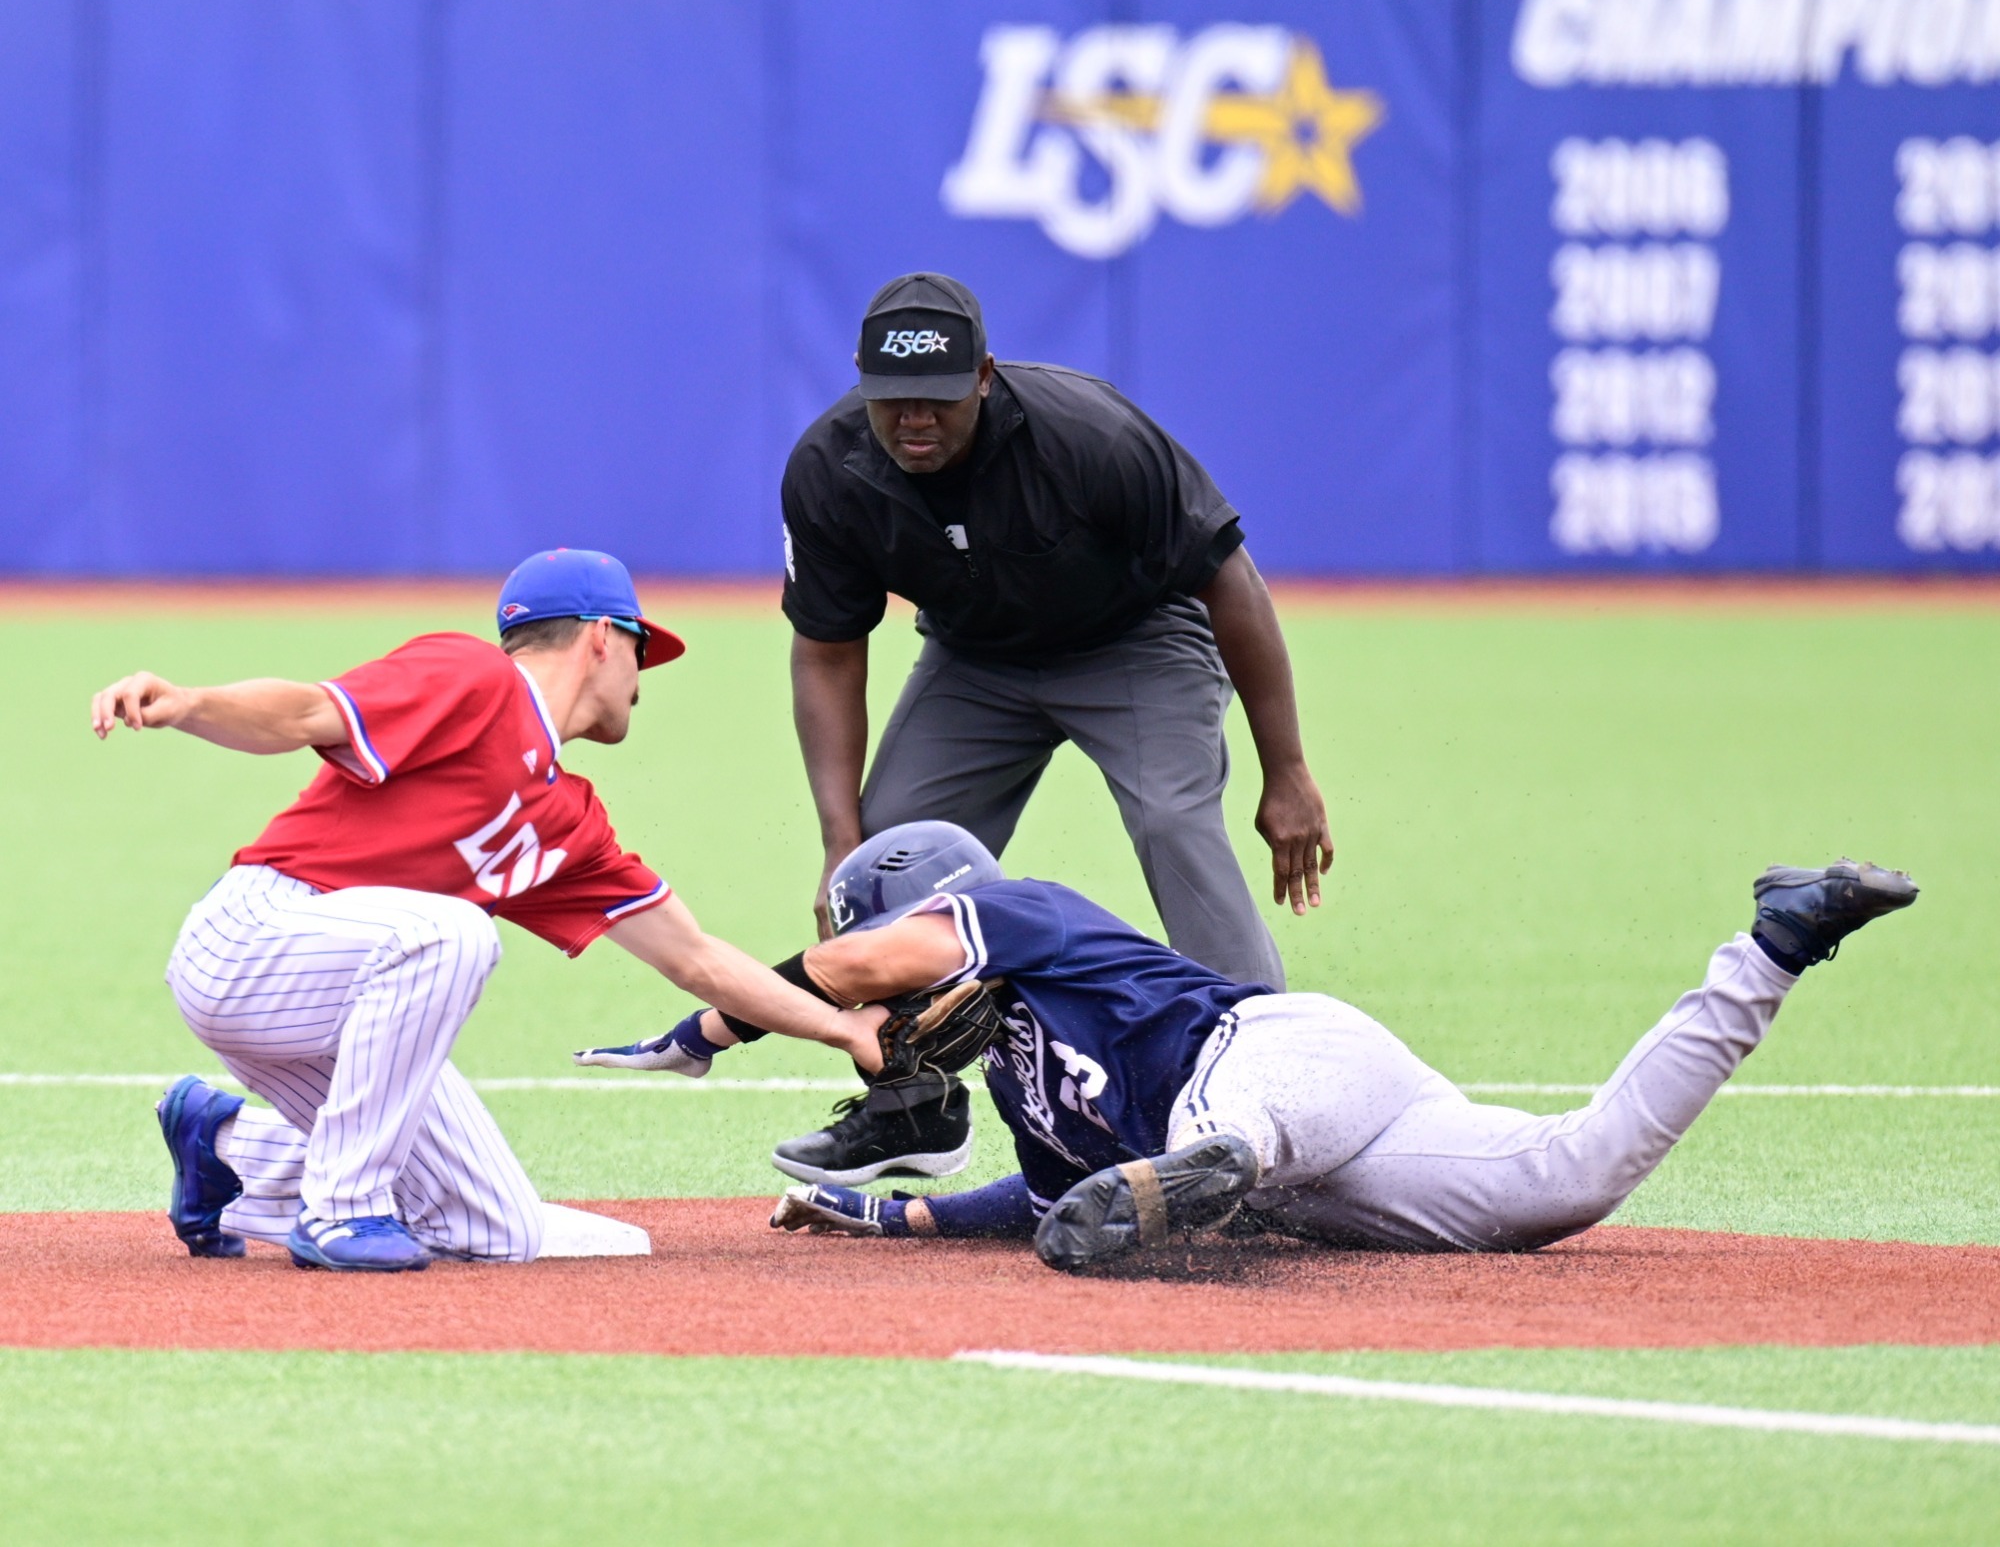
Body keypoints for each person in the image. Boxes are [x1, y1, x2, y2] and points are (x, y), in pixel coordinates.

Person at [587, 824, 1918, 1270]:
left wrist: (714, 1017)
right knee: (1563, 1182)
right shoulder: (1017, 1074)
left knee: (1215, 1139)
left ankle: (1216, 1169)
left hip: (1278, 1059)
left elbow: (856, 967)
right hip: (1315, 1167)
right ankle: (1775, 945)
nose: (877, 1019)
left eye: (885, 970)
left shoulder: (1014, 911)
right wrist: (896, 1214)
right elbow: (1056, 1199)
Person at [95, 549, 884, 1273]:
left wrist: (843, 1026)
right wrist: (192, 701)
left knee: (494, 1229)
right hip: (254, 944)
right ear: (603, 638)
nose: (644, 678)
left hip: (354, 1003)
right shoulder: (476, 678)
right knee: (455, 931)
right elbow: (309, 712)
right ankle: (342, 1211)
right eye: (643, 649)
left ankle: (225, 1146)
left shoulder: (568, 821)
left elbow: (698, 959)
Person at [771, 270, 1334, 1184]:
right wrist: (842, 837)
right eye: (893, 400)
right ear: (860, 385)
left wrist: (1289, 770)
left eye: (939, 400)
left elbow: (1231, 579)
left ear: (985, 377)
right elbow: (829, 650)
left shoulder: (1088, 434)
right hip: (975, 661)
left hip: (1138, 640)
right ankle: (907, 1109)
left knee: (1173, 820)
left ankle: (1276, 1099)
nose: (915, 419)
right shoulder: (828, 468)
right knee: (884, 866)